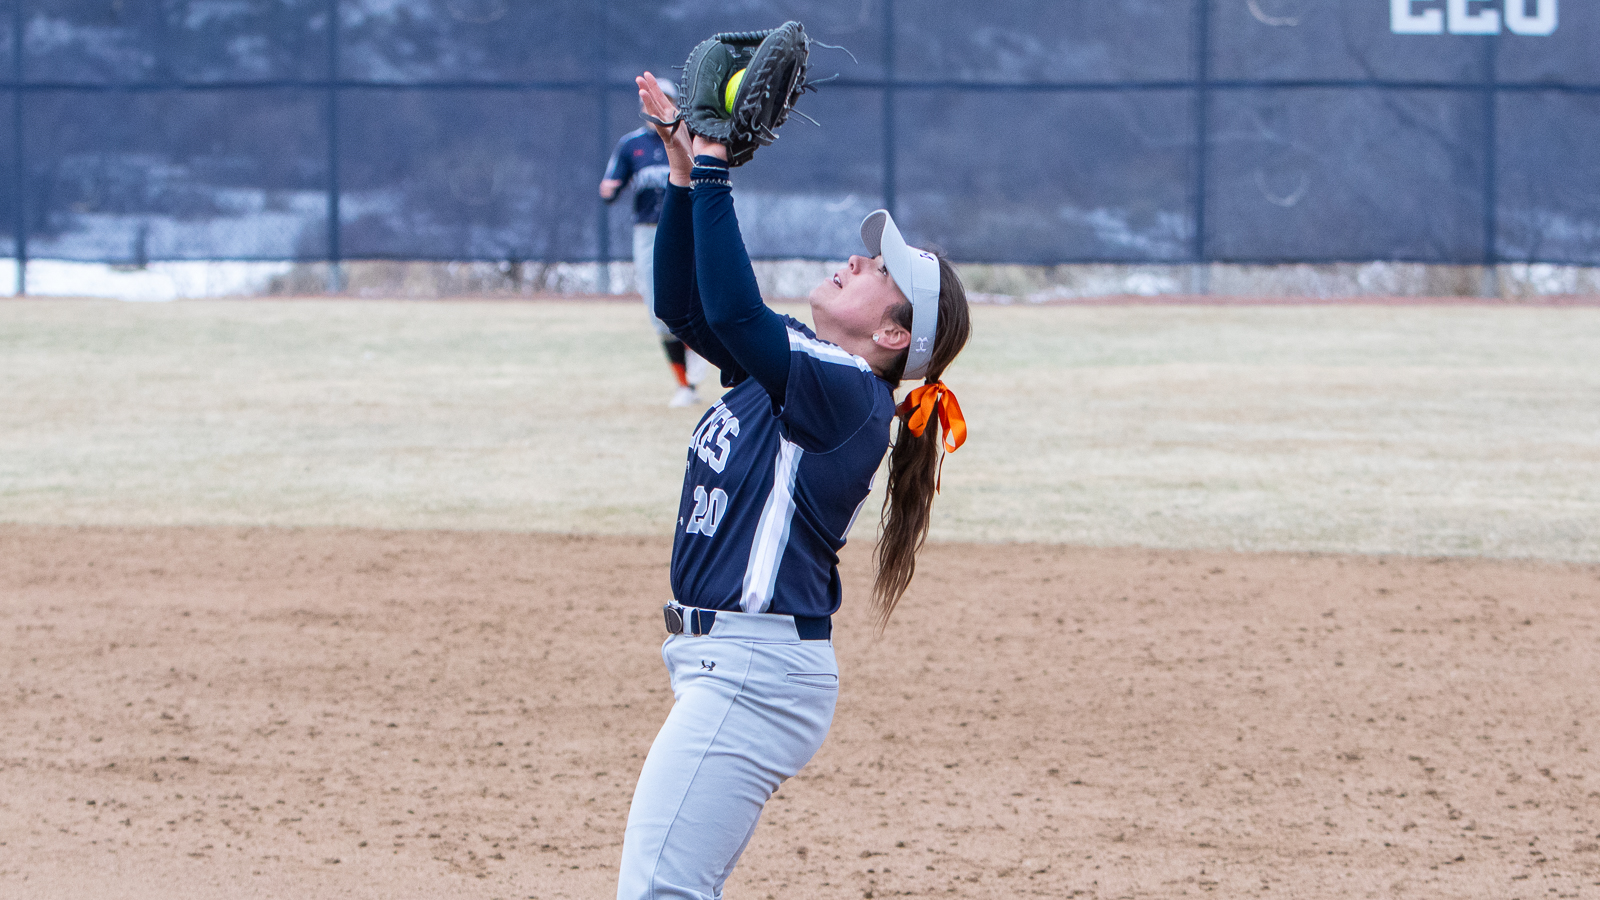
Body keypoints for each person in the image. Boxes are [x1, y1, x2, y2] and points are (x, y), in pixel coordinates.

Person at [614, 69, 973, 900]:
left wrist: (713, 166)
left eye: (879, 268)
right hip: (726, 662)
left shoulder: (847, 392)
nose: (857, 258)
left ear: (891, 332)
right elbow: (690, 307)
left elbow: (736, 314)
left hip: (754, 670)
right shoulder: (796, 371)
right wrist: (679, 174)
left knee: (660, 894)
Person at [600, 77, 710, 408]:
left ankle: (700, 351)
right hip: (648, 231)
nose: (659, 107)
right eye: (652, 102)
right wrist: (611, 187)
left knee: (696, 295)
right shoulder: (631, 144)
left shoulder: (690, 137)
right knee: (657, 308)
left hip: (688, 226)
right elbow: (610, 186)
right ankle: (685, 384)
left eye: (666, 100)